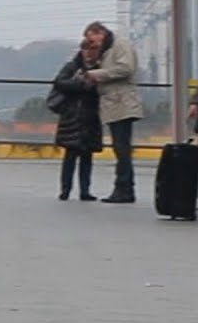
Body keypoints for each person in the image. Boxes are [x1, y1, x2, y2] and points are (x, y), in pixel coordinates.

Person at [83, 21, 143, 203]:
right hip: (114, 103)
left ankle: (124, 188)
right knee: (120, 147)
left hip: (122, 102)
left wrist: (98, 74)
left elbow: (126, 68)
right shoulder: (107, 49)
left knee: (122, 147)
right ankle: (124, 187)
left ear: (100, 33)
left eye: (92, 40)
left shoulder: (120, 45)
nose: (93, 45)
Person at [51, 39, 104, 201]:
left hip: (90, 117)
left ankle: (85, 190)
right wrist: (81, 84)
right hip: (72, 116)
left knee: (87, 156)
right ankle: (65, 189)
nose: (89, 53)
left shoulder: (100, 69)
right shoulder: (72, 67)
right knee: (70, 156)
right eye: (86, 49)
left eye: (93, 49)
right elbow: (59, 83)